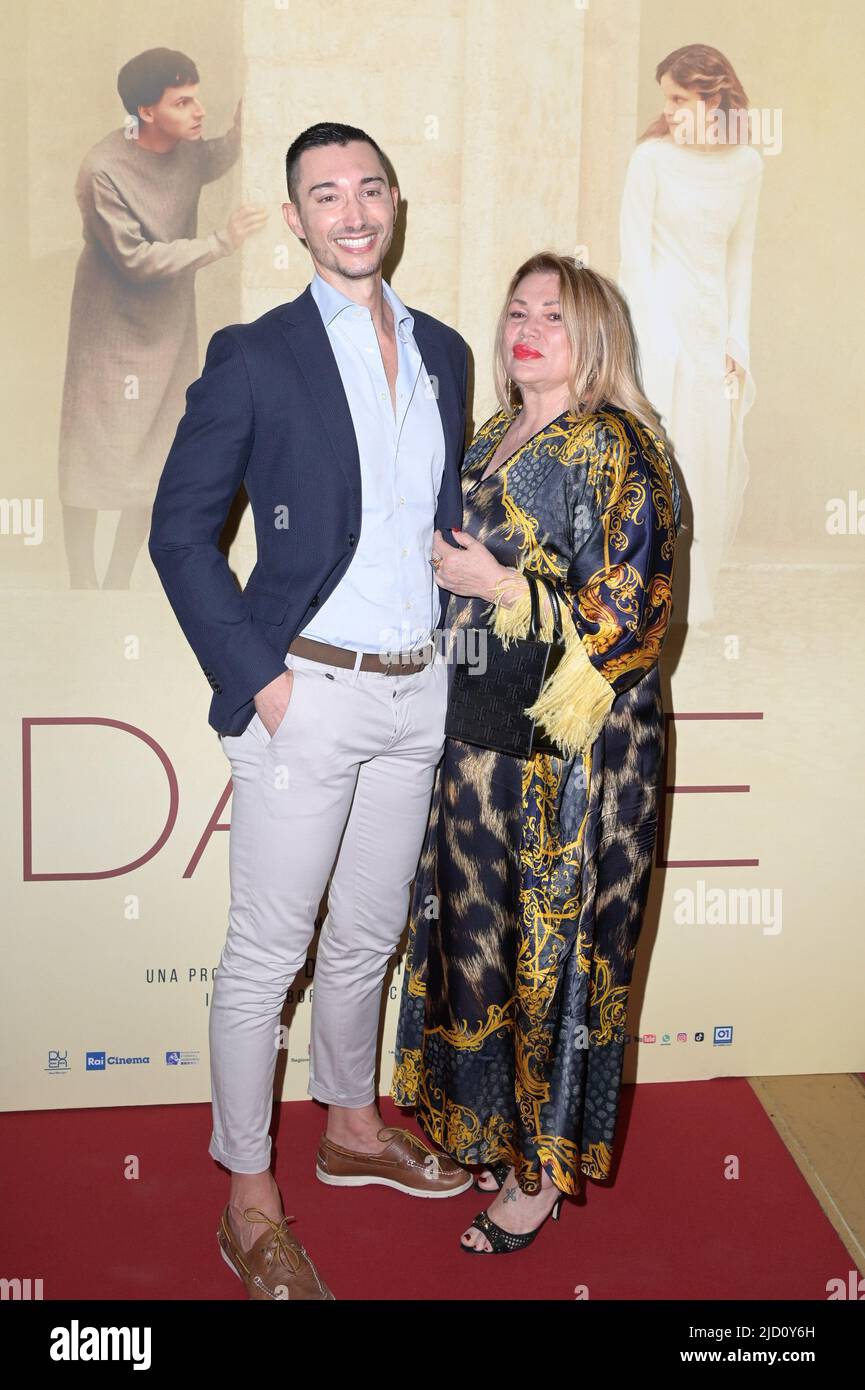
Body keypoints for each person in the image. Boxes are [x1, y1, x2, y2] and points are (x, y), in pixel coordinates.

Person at [148, 122, 472, 1301]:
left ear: (394, 203)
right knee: (264, 959)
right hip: (308, 690)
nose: (350, 211)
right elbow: (177, 532)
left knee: (368, 935)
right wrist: (264, 681)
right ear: (292, 217)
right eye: (323, 194)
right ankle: (248, 1199)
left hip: (413, 689)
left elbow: (433, 528)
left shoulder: (443, 349)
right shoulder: (254, 353)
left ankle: (349, 1127)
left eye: (368, 188)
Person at [392, 252, 681, 1254]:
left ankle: (538, 1173)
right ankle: (483, 1129)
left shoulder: (616, 446)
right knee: (476, 952)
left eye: (552, 314)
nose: (527, 328)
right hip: (474, 745)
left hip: (572, 762)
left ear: (592, 334)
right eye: (516, 309)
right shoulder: (485, 436)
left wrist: (503, 586)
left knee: (551, 964)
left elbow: (634, 615)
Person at [59, 47, 266, 589]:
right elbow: (133, 259)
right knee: (92, 446)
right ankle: (82, 581)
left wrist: (249, 122)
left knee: (156, 448)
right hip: (109, 324)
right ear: (146, 112)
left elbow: (217, 156)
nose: (199, 111)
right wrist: (222, 242)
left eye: (197, 97)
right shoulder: (101, 168)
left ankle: (118, 581)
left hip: (170, 322)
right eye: (183, 101)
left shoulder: (188, 149)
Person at [617, 43, 763, 633]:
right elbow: (633, 258)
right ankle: (643, 598)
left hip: (711, 336)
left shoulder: (748, 164)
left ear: (714, 95)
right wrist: (651, 340)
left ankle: (693, 600)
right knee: (656, 465)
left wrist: (736, 341)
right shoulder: (650, 160)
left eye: (681, 99)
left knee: (706, 462)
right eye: (668, 101)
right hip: (659, 329)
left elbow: (741, 259)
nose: (672, 111)